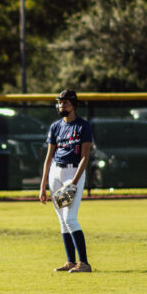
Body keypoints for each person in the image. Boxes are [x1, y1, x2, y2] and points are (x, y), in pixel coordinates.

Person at [39, 89, 95, 273]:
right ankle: (71, 261)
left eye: (65, 102)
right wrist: (42, 185)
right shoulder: (55, 126)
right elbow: (49, 157)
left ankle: (84, 263)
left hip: (73, 172)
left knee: (70, 218)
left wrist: (74, 182)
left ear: (74, 105)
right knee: (62, 221)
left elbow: (85, 158)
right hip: (56, 171)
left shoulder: (82, 126)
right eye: (60, 102)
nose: (62, 105)